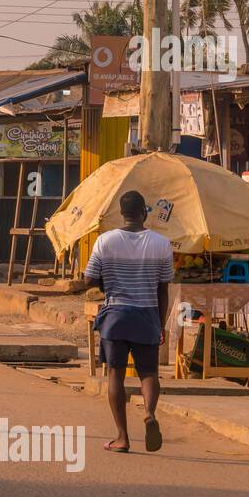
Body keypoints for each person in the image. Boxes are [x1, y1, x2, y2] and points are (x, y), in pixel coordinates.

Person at [84, 189, 174, 455]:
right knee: (148, 372)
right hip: (146, 316)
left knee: (116, 374)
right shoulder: (161, 243)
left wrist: (106, 280)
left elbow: (89, 279)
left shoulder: (105, 241)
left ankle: (122, 437)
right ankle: (148, 413)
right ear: (144, 212)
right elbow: (163, 289)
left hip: (115, 317)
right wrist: (161, 324)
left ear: (122, 214)